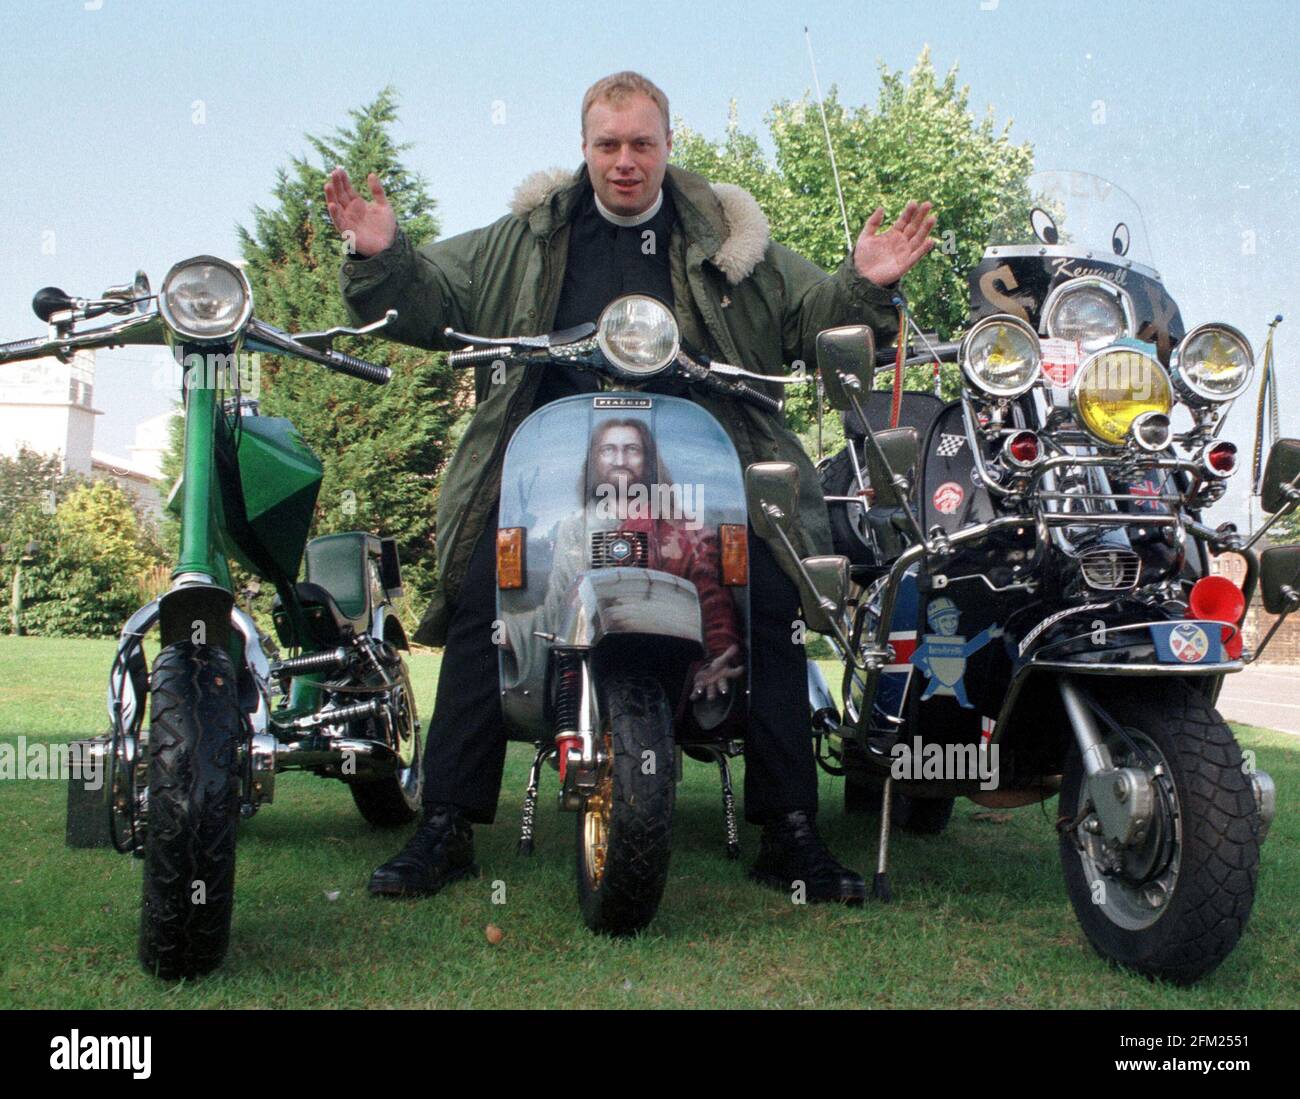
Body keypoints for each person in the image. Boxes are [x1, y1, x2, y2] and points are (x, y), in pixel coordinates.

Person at [326, 70, 937, 905]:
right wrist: (384, 256)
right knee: (481, 592)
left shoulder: (729, 238)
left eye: (641, 143)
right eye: (608, 144)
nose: (624, 161)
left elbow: (811, 318)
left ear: (667, 146)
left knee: (772, 595)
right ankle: (448, 826)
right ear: (584, 147)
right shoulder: (531, 235)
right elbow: (436, 298)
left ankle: (791, 830)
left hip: (706, 471)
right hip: (553, 472)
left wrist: (865, 283)